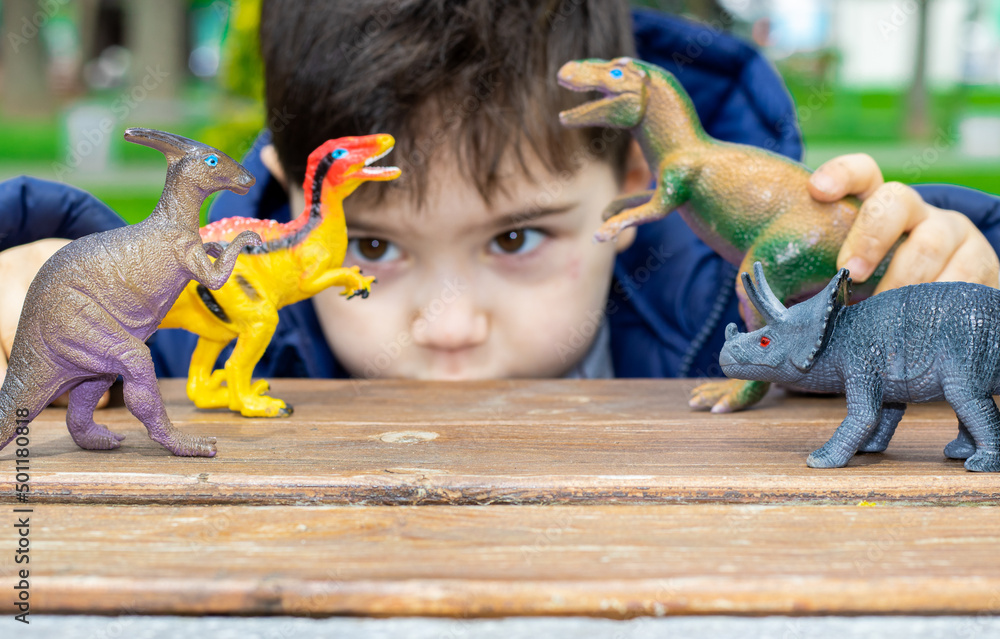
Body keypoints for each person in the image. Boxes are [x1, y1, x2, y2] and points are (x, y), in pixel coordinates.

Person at [1, 0, 999, 388]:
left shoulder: (726, 299)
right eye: (378, 249)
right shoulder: (211, 320)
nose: (444, 327)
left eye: (515, 239)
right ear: (288, 190)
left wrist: (928, 275)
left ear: (630, 181)